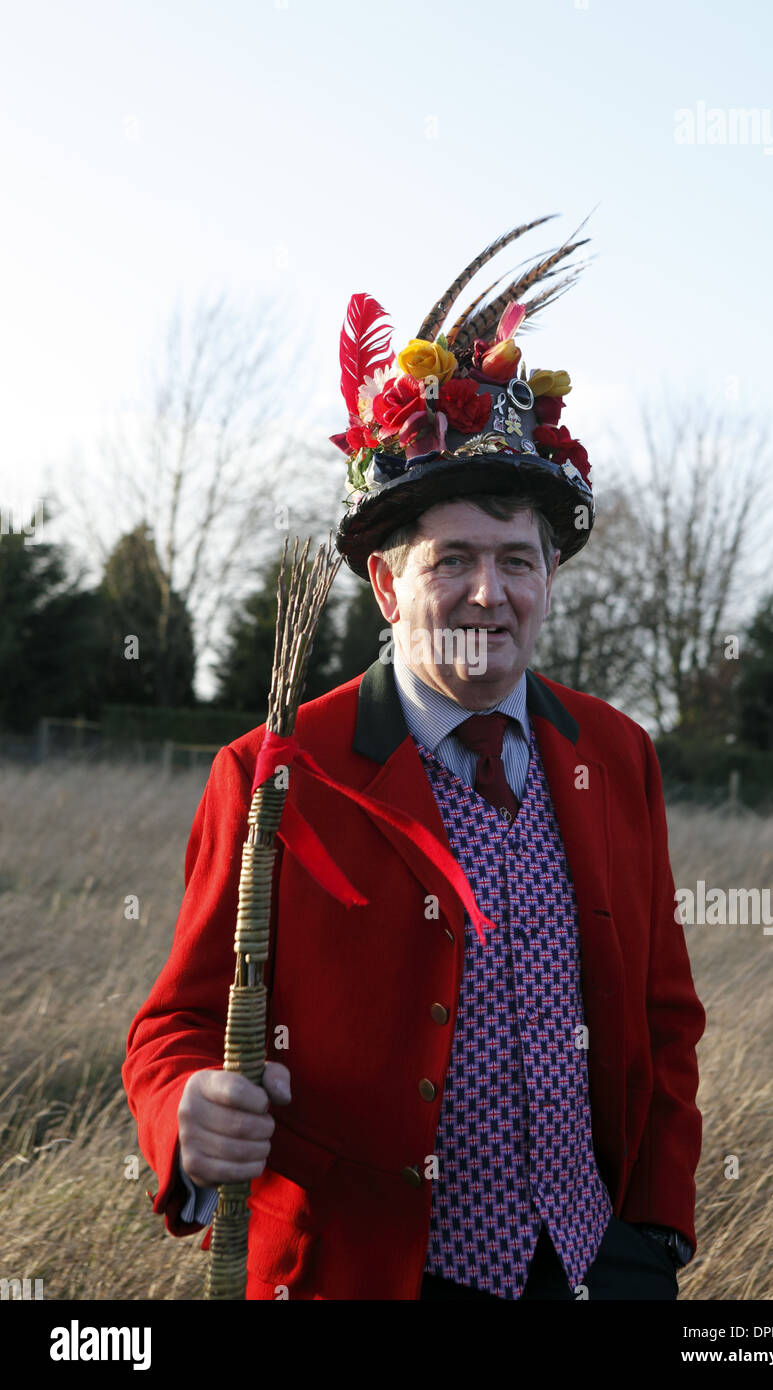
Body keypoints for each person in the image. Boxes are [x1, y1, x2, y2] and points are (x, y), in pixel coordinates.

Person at [123, 218, 705, 1300]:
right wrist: (185, 1111)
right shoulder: (275, 774)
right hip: (370, 1275)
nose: (491, 594)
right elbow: (176, 1027)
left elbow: (665, 1020)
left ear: (547, 580)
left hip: (592, 1272)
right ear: (387, 588)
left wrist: (654, 1235)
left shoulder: (615, 754)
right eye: (453, 562)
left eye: (517, 562)